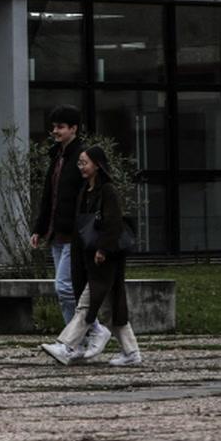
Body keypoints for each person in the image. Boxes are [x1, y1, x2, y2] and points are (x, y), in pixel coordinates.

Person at [43, 146, 142, 367]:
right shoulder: (85, 192)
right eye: (79, 162)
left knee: (86, 303)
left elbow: (114, 222)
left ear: (97, 165)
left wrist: (104, 249)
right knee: (114, 305)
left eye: (84, 162)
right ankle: (131, 352)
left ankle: (67, 345)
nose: (81, 167)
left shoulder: (107, 191)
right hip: (89, 256)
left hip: (104, 258)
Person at [28, 106, 110, 358]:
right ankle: (76, 343)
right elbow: (49, 196)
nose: (55, 131)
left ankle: (94, 330)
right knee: (66, 292)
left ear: (73, 128)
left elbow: (91, 192)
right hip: (56, 232)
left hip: (73, 233)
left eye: (61, 127)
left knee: (65, 287)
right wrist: (40, 228)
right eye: (53, 127)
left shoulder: (80, 156)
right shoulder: (57, 155)